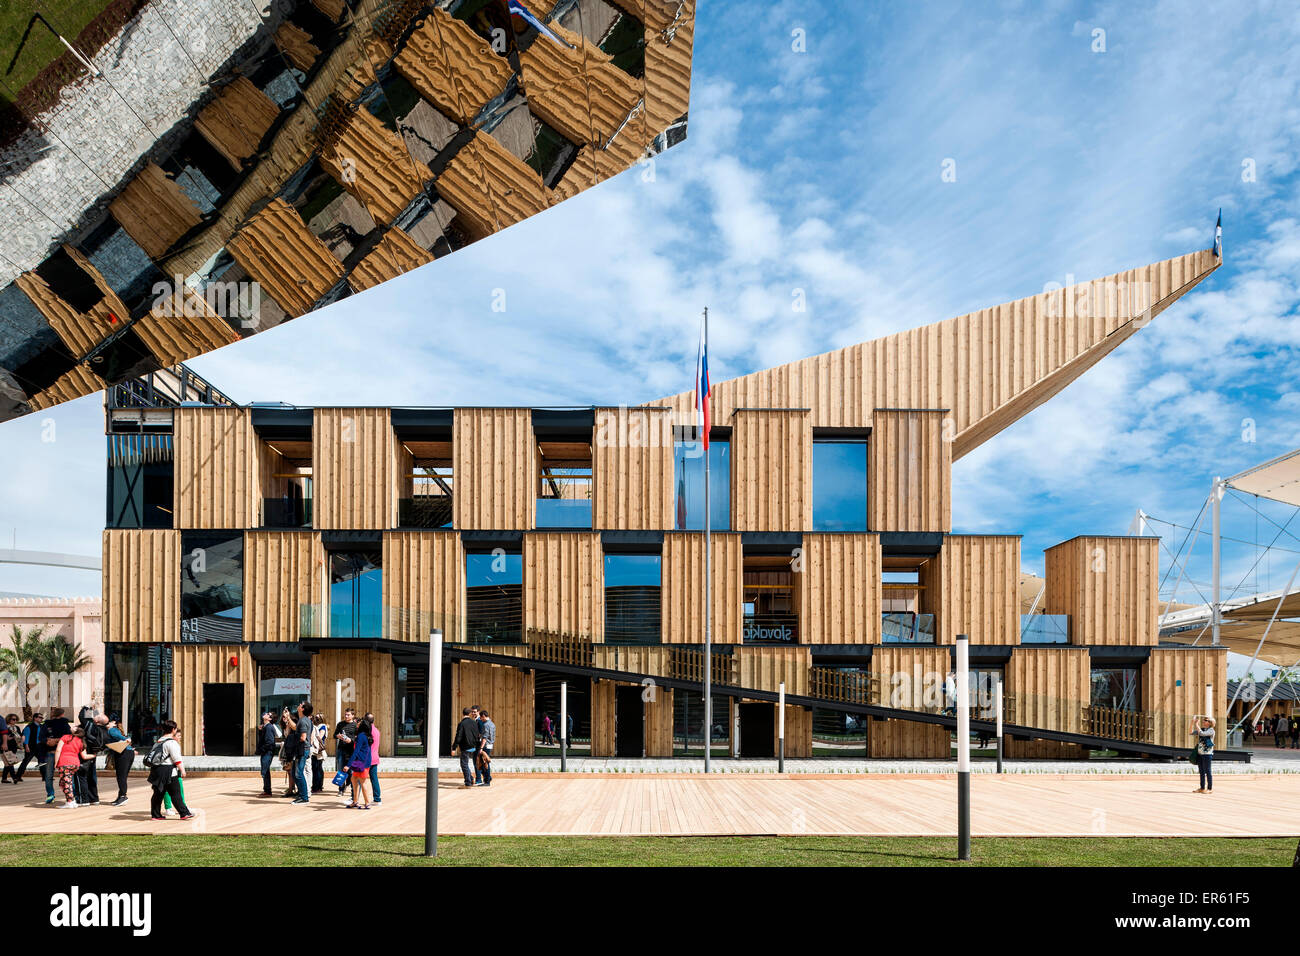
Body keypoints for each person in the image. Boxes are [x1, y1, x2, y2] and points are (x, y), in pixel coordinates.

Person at [146, 720, 194, 820]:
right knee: (175, 793)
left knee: (158, 794)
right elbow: (177, 759)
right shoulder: (172, 743)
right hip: (168, 771)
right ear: (173, 730)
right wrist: (183, 771)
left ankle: (156, 815)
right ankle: (184, 813)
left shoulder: (159, 741)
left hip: (156, 770)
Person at [52, 727, 90, 809]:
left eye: (75, 727)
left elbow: (58, 750)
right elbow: (84, 756)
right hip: (75, 763)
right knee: (64, 782)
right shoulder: (81, 741)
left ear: (76, 731)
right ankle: (72, 800)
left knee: (66, 783)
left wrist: (56, 762)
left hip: (64, 762)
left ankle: (70, 802)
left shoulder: (66, 737)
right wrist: (94, 755)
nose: (73, 726)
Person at [40, 708, 72, 805]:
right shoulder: (65, 724)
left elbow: (41, 737)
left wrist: (50, 741)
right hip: (63, 753)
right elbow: (69, 737)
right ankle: (70, 796)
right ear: (62, 714)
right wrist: (58, 740)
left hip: (50, 752)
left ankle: (50, 795)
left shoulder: (46, 724)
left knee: (48, 775)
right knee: (67, 775)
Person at [104, 715, 134, 806]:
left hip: (123, 754)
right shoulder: (116, 730)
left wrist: (127, 739)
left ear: (114, 723)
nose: (107, 724)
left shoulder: (112, 730)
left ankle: (123, 797)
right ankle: (120, 796)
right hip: (127, 753)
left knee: (121, 777)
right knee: (122, 776)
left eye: (108, 722)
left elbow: (125, 739)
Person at [451, 706, 481, 788]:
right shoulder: (474, 722)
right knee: (466, 764)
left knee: (464, 764)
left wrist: (454, 748)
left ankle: (468, 782)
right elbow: (477, 734)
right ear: (470, 713)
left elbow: (459, 736)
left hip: (465, 746)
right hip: (473, 746)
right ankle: (470, 778)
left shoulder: (462, 724)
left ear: (462, 714)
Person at [347, 718, 374, 809]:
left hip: (362, 762)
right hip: (363, 761)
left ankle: (367, 803)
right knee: (354, 779)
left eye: (359, 723)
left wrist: (348, 765)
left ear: (362, 726)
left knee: (363, 782)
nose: (357, 724)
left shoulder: (361, 736)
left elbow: (356, 751)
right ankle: (355, 801)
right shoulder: (366, 735)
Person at [292, 701, 313, 805]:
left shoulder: (303, 721)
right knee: (295, 773)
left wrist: (293, 740)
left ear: (303, 709)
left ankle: (304, 797)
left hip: (302, 749)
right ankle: (301, 795)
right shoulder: (305, 720)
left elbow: (303, 737)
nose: (298, 705)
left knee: (298, 773)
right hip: (303, 749)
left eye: (300, 705)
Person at [334, 709, 357, 797]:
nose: (346, 716)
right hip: (341, 749)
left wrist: (350, 740)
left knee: (350, 771)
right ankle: (340, 789)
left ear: (352, 715)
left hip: (351, 751)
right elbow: (334, 735)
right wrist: (338, 736)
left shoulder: (355, 725)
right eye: (345, 714)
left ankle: (352, 789)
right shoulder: (340, 724)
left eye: (348, 715)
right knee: (340, 770)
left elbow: (357, 738)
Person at [1190, 715, 1215, 794]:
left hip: (1207, 754)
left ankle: (1209, 788)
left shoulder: (1211, 731)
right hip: (1200, 753)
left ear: (1210, 723)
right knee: (1201, 771)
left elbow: (1202, 734)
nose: (1204, 721)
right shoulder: (1202, 729)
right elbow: (1190, 732)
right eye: (1204, 720)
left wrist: (1196, 725)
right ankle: (1202, 788)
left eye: (1206, 720)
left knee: (1208, 771)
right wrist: (1192, 723)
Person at [255, 712, 277, 796]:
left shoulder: (269, 727)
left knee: (264, 771)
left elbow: (270, 742)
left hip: (267, 752)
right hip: (266, 752)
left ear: (270, 719)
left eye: (268, 714)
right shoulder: (265, 727)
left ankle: (267, 791)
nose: (266, 714)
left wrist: (262, 749)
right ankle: (267, 790)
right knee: (265, 770)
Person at [19, 712, 44, 786]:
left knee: (42, 762)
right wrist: (26, 746)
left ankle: (45, 777)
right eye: (40, 717)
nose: (41, 719)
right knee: (26, 761)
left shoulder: (42, 726)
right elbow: (26, 737)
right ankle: (18, 776)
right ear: (35, 718)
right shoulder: (29, 727)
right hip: (31, 747)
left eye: (42, 718)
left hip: (39, 747)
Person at [279, 708, 299, 796]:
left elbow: (295, 727)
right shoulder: (284, 726)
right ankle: (291, 789)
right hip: (287, 750)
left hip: (294, 750)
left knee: (294, 771)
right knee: (289, 770)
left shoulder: (292, 723)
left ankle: (295, 789)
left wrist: (288, 718)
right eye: (283, 716)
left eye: (285, 716)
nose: (284, 718)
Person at [363, 712, 381, 805]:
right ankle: (377, 799)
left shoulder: (368, 732)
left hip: (367, 758)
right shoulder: (377, 731)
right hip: (375, 757)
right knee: (374, 779)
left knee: (359, 779)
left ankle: (354, 798)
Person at [475, 708, 495, 787]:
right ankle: (488, 778)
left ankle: (487, 781)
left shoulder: (486, 725)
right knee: (485, 762)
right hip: (490, 745)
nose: (480, 719)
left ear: (483, 716)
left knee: (484, 763)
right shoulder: (492, 724)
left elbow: (485, 738)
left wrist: (481, 748)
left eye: (481, 717)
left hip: (485, 745)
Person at [309, 713, 329, 794]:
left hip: (318, 750)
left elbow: (319, 737)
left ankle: (317, 787)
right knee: (318, 768)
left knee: (316, 768)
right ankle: (318, 786)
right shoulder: (317, 726)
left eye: (318, 717)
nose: (316, 719)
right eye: (315, 717)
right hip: (316, 749)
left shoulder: (322, 726)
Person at [0, 714, 20, 783]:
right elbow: (4, 736)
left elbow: (20, 735)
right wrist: (11, 738)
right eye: (13, 719)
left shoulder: (17, 728)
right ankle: (14, 777)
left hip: (14, 746)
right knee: (10, 762)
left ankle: (4, 778)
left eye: (16, 719)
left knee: (8, 762)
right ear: (9, 719)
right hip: (7, 746)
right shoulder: (5, 727)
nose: (15, 721)